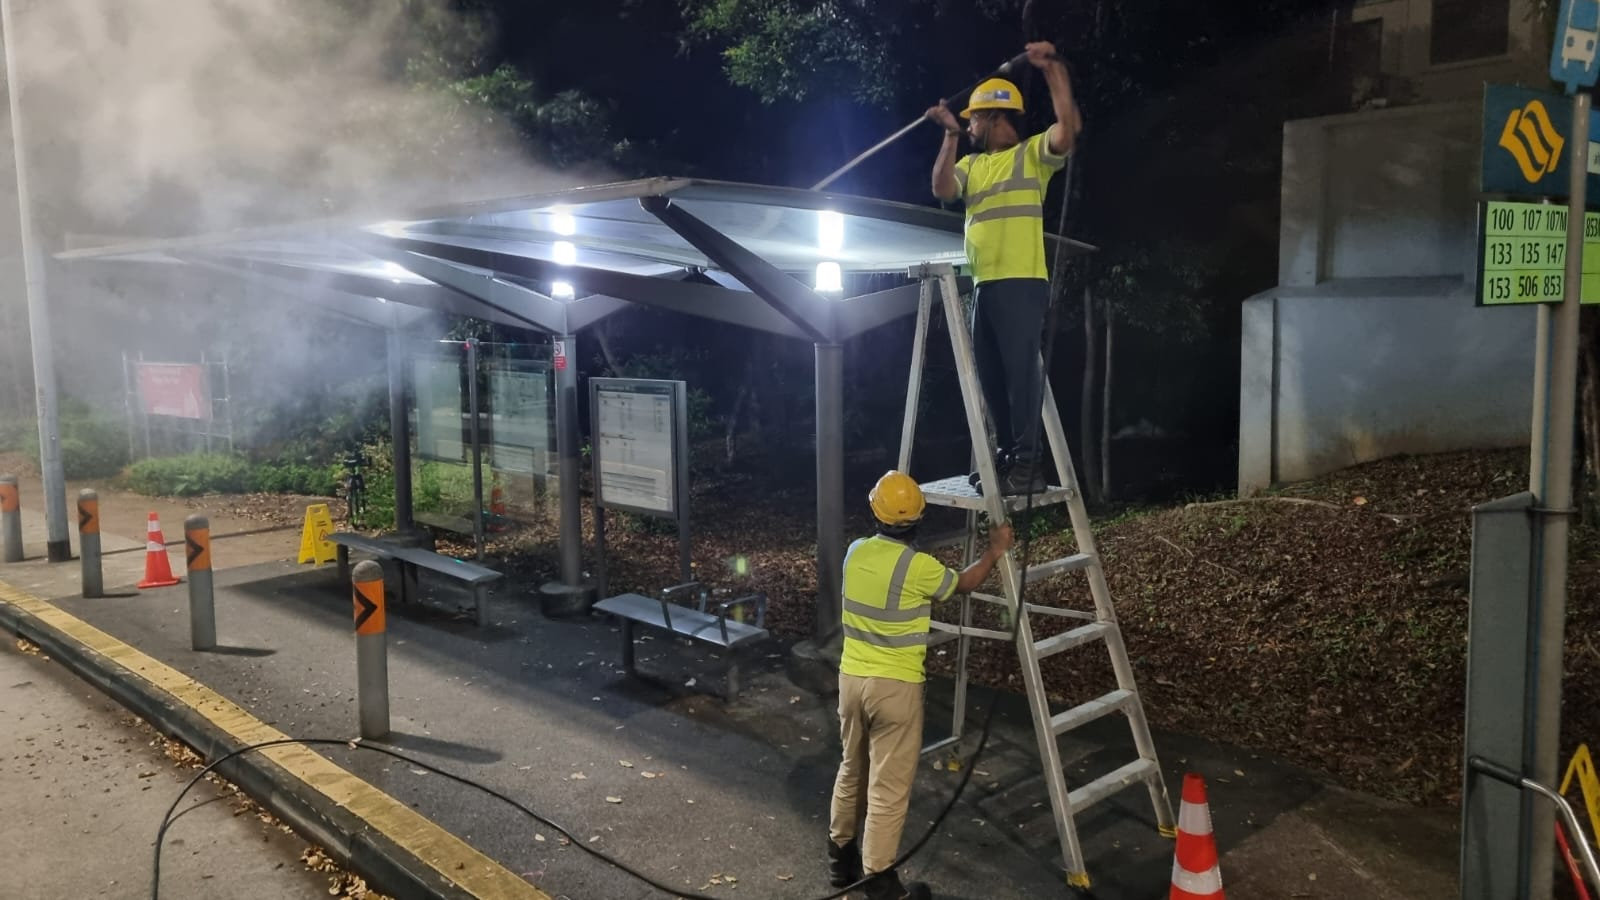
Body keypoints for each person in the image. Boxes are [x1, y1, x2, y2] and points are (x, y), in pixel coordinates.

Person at [826, 470, 1014, 900]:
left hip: (851, 681)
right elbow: (964, 583)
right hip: (895, 688)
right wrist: (995, 550)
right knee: (888, 788)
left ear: (876, 512)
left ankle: (840, 860)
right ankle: (880, 882)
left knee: (852, 768)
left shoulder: (854, 552)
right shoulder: (919, 568)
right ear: (917, 520)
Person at [926, 42, 1083, 495]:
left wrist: (1052, 68)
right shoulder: (972, 165)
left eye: (974, 119)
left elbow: (1068, 130)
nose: (970, 125)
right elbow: (942, 187)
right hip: (985, 285)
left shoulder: (1032, 155)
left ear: (995, 118)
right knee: (993, 379)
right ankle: (1009, 456)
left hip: (1020, 282)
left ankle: (1030, 467)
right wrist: (950, 136)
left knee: (1020, 375)